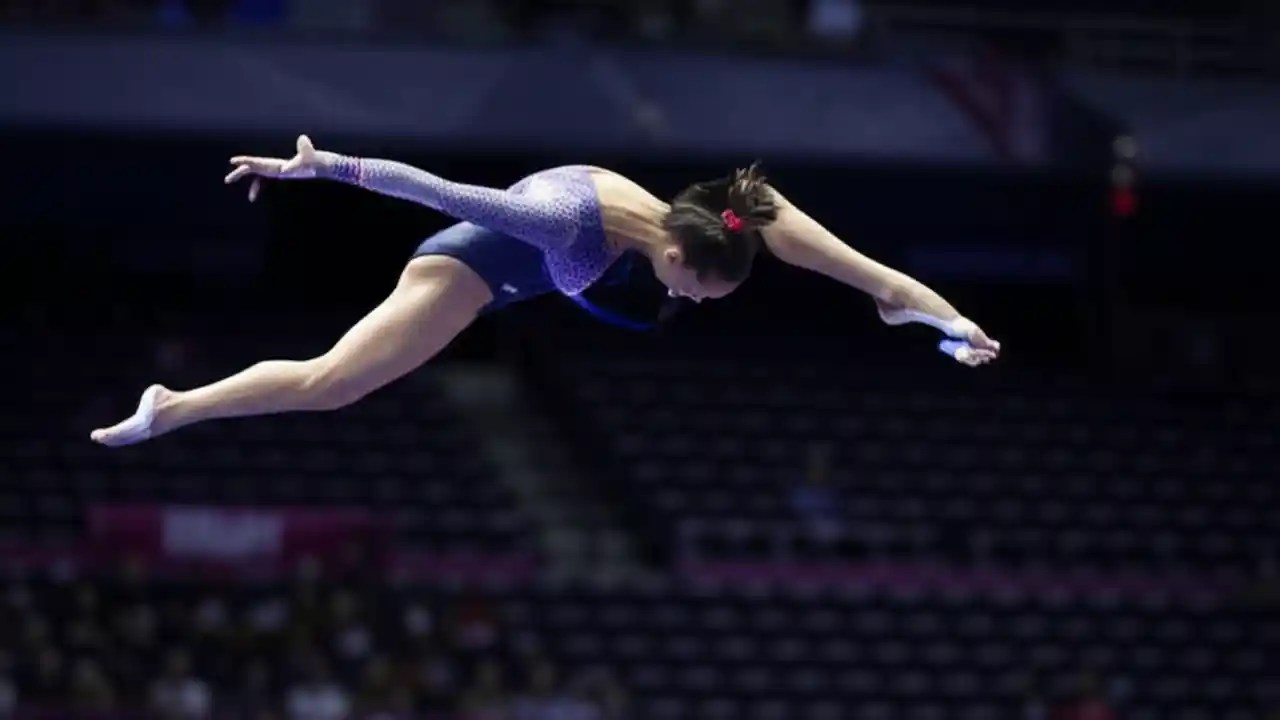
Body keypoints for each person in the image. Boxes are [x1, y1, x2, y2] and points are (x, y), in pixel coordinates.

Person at [91, 135, 1000, 447]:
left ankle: (178, 406)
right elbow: (438, 192)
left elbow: (869, 277)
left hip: (535, 279)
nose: (686, 303)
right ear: (679, 262)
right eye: (695, 295)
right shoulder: (570, 225)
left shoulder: (736, 212)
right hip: (476, 262)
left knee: (840, 266)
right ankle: (175, 405)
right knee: (335, 384)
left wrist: (948, 320)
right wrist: (321, 166)